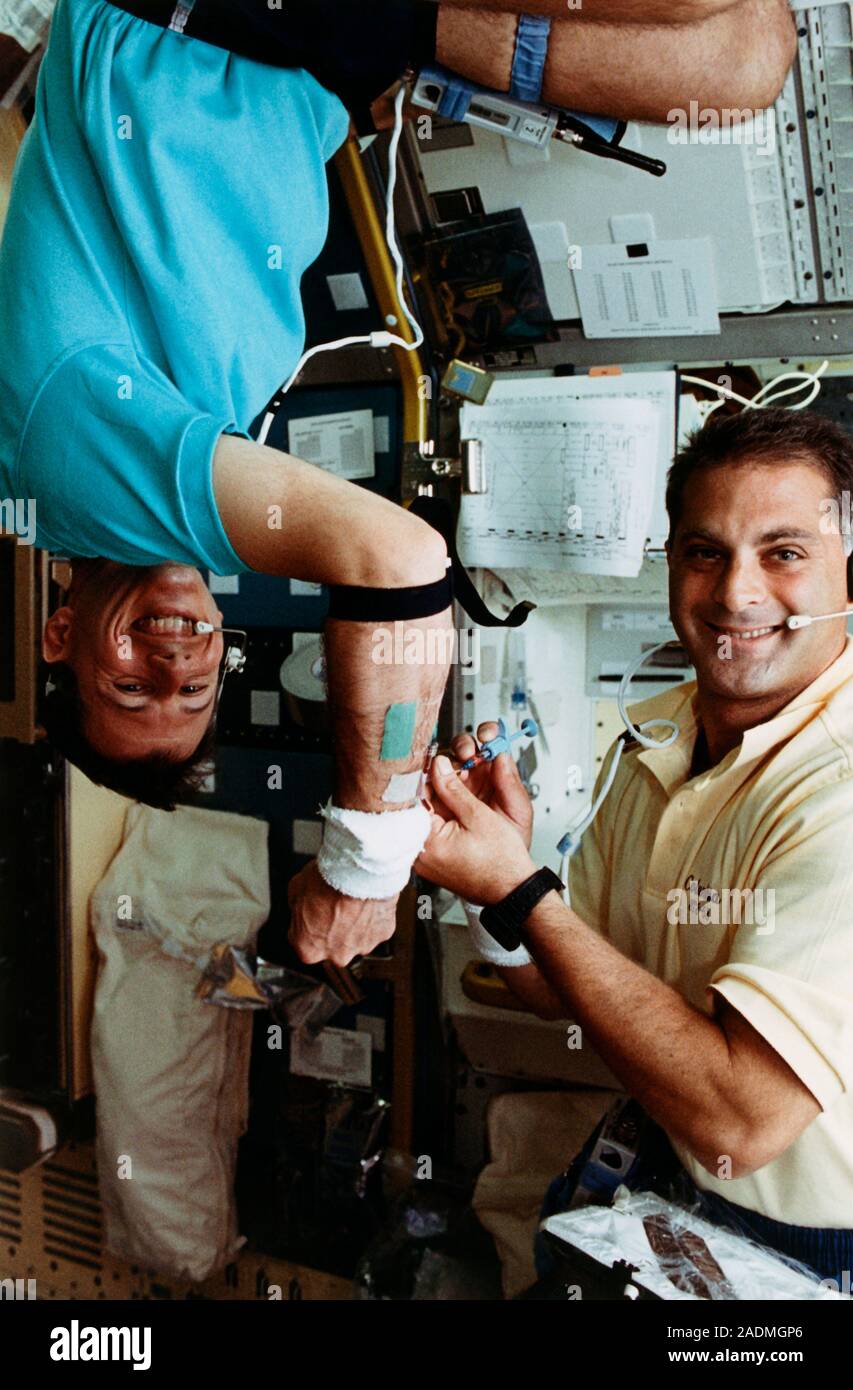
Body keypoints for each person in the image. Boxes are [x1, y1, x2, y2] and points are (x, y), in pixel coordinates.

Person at [0, 0, 796, 964]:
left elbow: (400, 559)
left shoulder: (68, 481)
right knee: (744, 59)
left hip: (218, 20)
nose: (175, 668)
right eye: (194, 693)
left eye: (130, 691)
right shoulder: (152, 490)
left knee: (708, 27)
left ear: (58, 634)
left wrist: (360, 871)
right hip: (308, 53)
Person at [416, 407, 853, 1284]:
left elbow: (739, 1120)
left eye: (784, 552)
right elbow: (562, 987)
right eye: (704, 552)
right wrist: (498, 874)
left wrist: (521, 887)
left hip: (814, 1251)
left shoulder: (836, 785)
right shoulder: (659, 738)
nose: (735, 593)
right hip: (673, 1188)